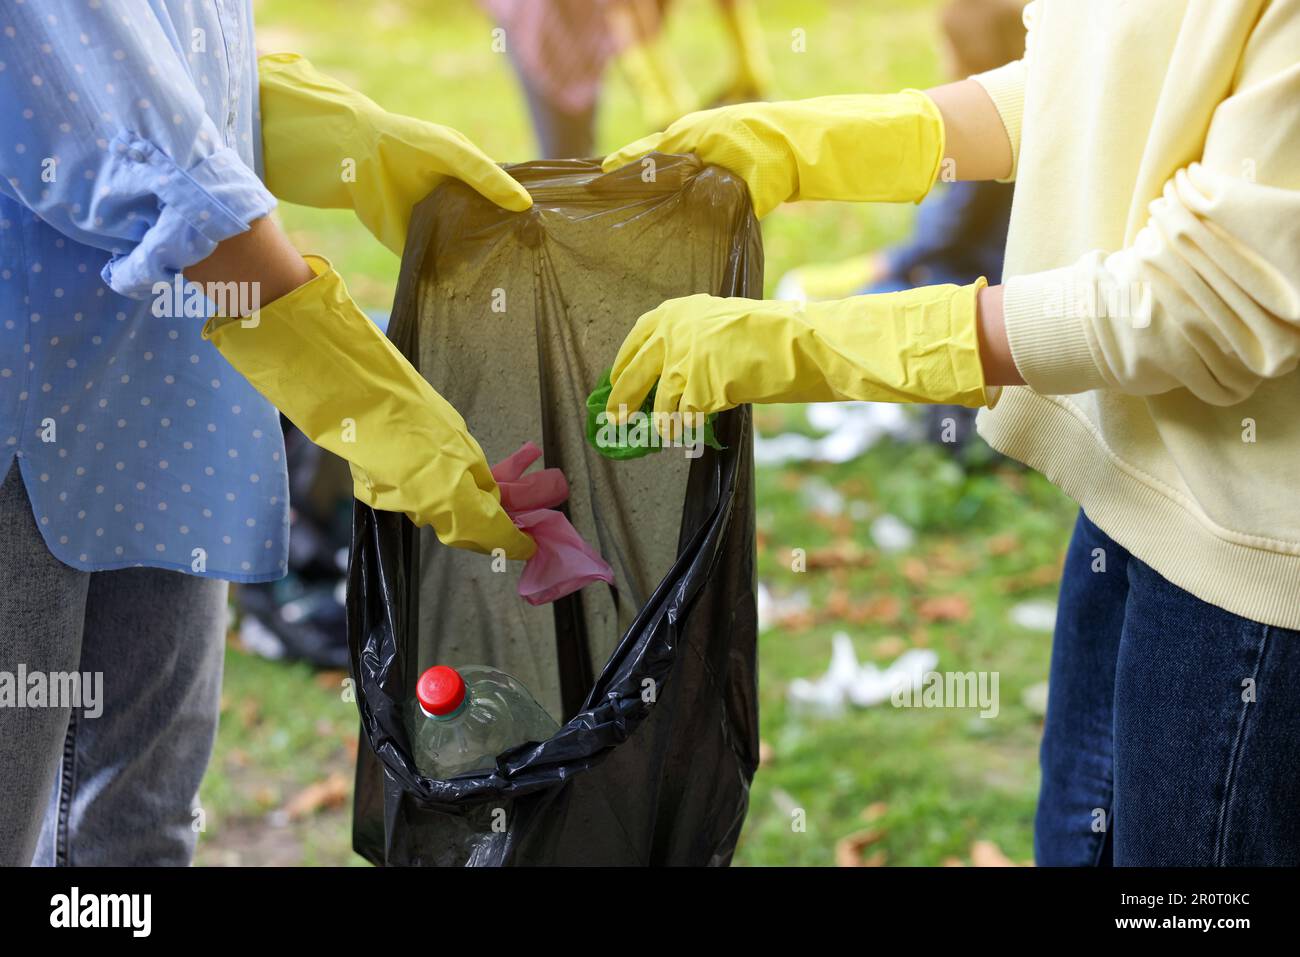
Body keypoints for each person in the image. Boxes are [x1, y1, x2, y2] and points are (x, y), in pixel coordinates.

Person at [601, 0, 1300, 866]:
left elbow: (1208, 299)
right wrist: (826, 141)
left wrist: (818, 344)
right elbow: (1102, 81)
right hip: (1131, 500)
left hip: (1251, 580)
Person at [0, 2, 533, 865]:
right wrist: (384, 413)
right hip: (25, 422)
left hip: (168, 411)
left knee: (139, 829)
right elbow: (119, 120)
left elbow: (173, 56)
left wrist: (340, 131)